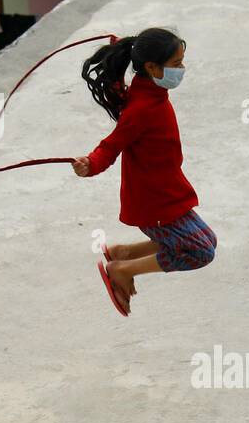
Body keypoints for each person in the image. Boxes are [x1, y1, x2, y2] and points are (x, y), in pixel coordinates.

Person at [72, 28, 216, 316]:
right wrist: (91, 163)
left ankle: (124, 253)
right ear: (152, 67)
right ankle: (122, 270)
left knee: (207, 240)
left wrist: (125, 50)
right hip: (154, 202)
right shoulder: (141, 108)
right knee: (200, 252)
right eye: (176, 64)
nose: (182, 70)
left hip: (169, 190)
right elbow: (112, 145)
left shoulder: (150, 89)